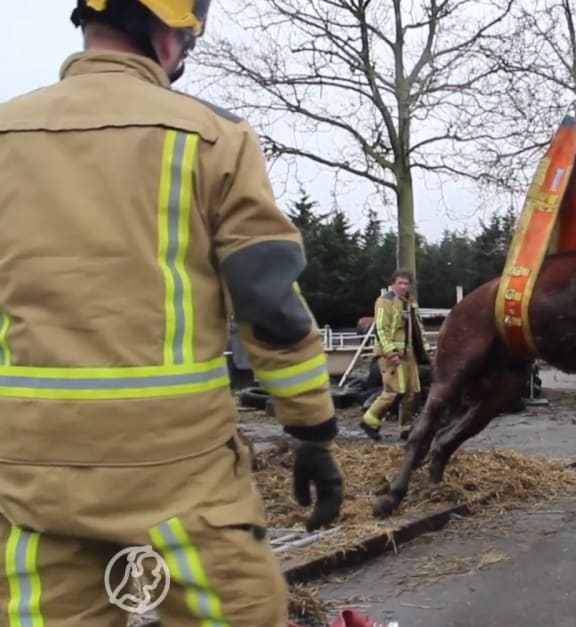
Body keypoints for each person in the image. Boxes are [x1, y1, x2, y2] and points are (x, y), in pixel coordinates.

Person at [0, 2, 345, 624]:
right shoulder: (213, 136)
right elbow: (268, 305)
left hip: (29, 470)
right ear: (167, 36)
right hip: (177, 469)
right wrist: (312, 429)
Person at [361, 269, 431, 441]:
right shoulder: (385, 301)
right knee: (393, 391)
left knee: (411, 392)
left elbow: (418, 329)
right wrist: (390, 352)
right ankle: (369, 421)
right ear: (392, 284)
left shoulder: (411, 302)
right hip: (391, 354)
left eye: (406, 283)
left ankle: (406, 428)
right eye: (399, 283)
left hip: (409, 353)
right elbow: (381, 329)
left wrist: (426, 350)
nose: (403, 286)